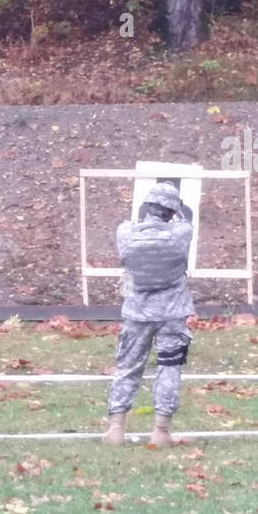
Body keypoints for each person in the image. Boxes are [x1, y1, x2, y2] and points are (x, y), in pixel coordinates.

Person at [102, 181, 194, 448]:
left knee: (128, 368)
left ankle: (116, 428)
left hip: (136, 312)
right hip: (172, 313)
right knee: (169, 368)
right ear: (172, 211)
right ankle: (161, 431)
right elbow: (185, 221)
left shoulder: (125, 233)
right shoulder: (181, 234)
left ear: (147, 207)